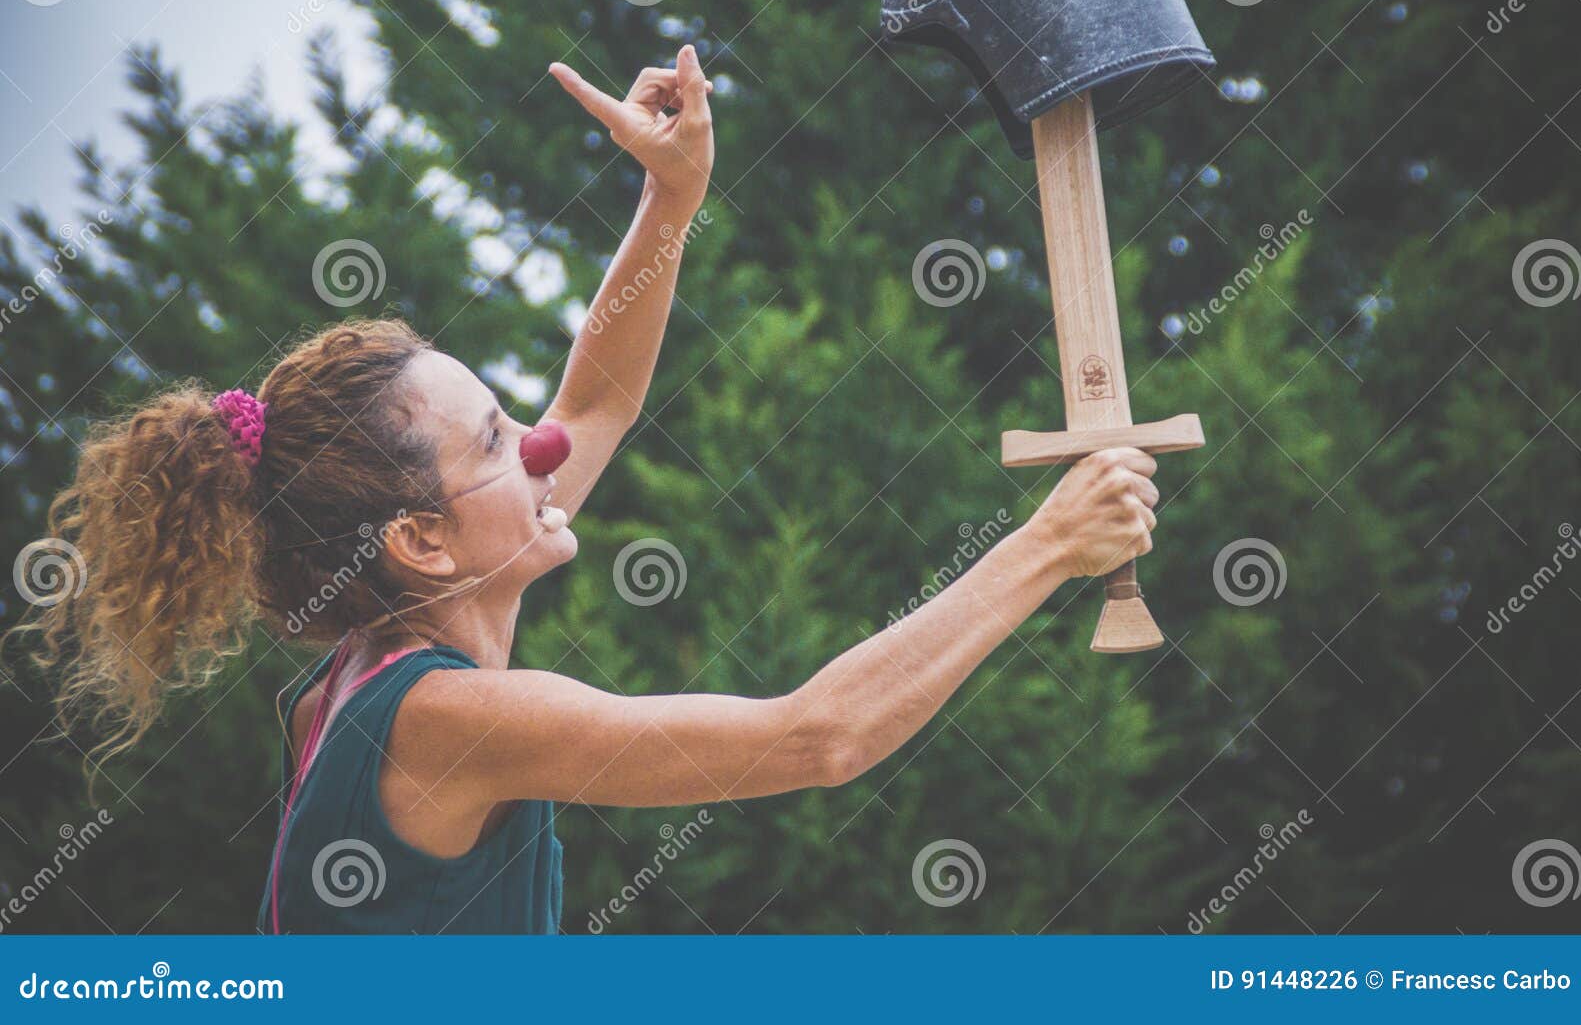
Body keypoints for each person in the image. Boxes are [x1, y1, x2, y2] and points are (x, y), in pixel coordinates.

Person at [12, 45, 1159, 933]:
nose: (544, 444)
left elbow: (597, 401)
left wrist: (672, 194)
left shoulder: (355, 679)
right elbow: (819, 737)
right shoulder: (448, 720)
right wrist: (1048, 545)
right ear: (419, 538)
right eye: (499, 438)